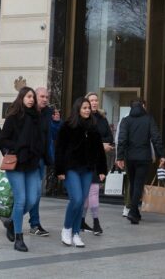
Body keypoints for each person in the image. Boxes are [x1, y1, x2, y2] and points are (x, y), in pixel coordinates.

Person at [0, 86, 51, 252]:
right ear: (22, 98)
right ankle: (18, 238)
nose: (31, 100)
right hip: (16, 163)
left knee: (33, 198)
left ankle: (12, 222)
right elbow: (3, 140)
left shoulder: (37, 117)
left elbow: (42, 139)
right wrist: (16, 149)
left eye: (32, 98)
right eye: (28, 96)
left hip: (32, 163)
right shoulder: (13, 117)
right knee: (21, 199)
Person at [54, 96, 108, 248]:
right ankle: (66, 229)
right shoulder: (67, 126)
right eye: (84, 108)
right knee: (76, 199)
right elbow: (59, 149)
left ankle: (76, 233)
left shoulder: (93, 127)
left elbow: (99, 150)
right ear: (78, 109)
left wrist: (102, 169)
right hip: (71, 168)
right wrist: (59, 169)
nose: (87, 110)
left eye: (88, 108)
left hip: (87, 169)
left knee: (82, 202)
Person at [115, 98, 165, 223]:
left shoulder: (126, 121)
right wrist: (161, 155)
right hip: (144, 157)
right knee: (138, 184)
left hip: (130, 157)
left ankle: (134, 211)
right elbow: (156, 138)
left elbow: (122, 139)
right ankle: (133, 212)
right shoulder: (148, 119)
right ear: (143, 106)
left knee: (133, 183)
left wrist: (120, 157)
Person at [27, 86, 59, 237]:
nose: (45, 99)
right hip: (26, 158)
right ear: (34, 97)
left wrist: (57, 123)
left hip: (40, 158)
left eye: (47, 97)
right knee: (32, 193)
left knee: (35, 193)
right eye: (42, 96)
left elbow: (53, 135)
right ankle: (30, 222)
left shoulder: (48, 113)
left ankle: (32, 223)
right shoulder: (27, 112)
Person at [81, 92, 114, 235]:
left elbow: (110, 137)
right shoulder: (82, 119)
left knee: (93, 191)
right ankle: (82, 220)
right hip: (84, 161)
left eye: (96, 100)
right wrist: (101, 144)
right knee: (85, 195)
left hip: (98, 161)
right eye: (91, 100)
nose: (94, 103)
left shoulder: (102, 118)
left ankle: (95, 222)